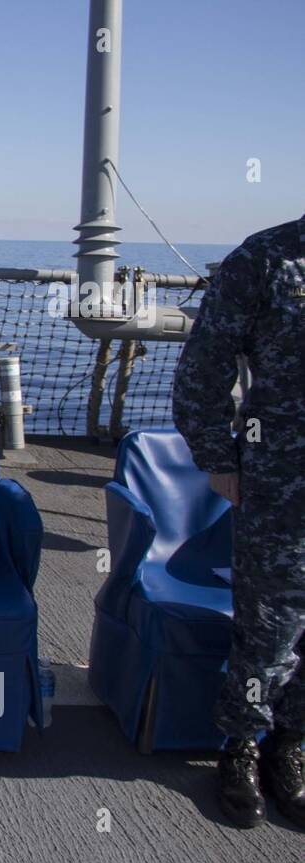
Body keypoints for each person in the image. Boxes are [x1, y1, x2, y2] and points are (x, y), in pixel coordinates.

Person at [173, 212, 305, 830]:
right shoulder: (269, 258)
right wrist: (217, 455)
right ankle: (243, 745)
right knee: (269, 626)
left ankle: (293, 745)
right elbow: (206, 362)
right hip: (284, 481)